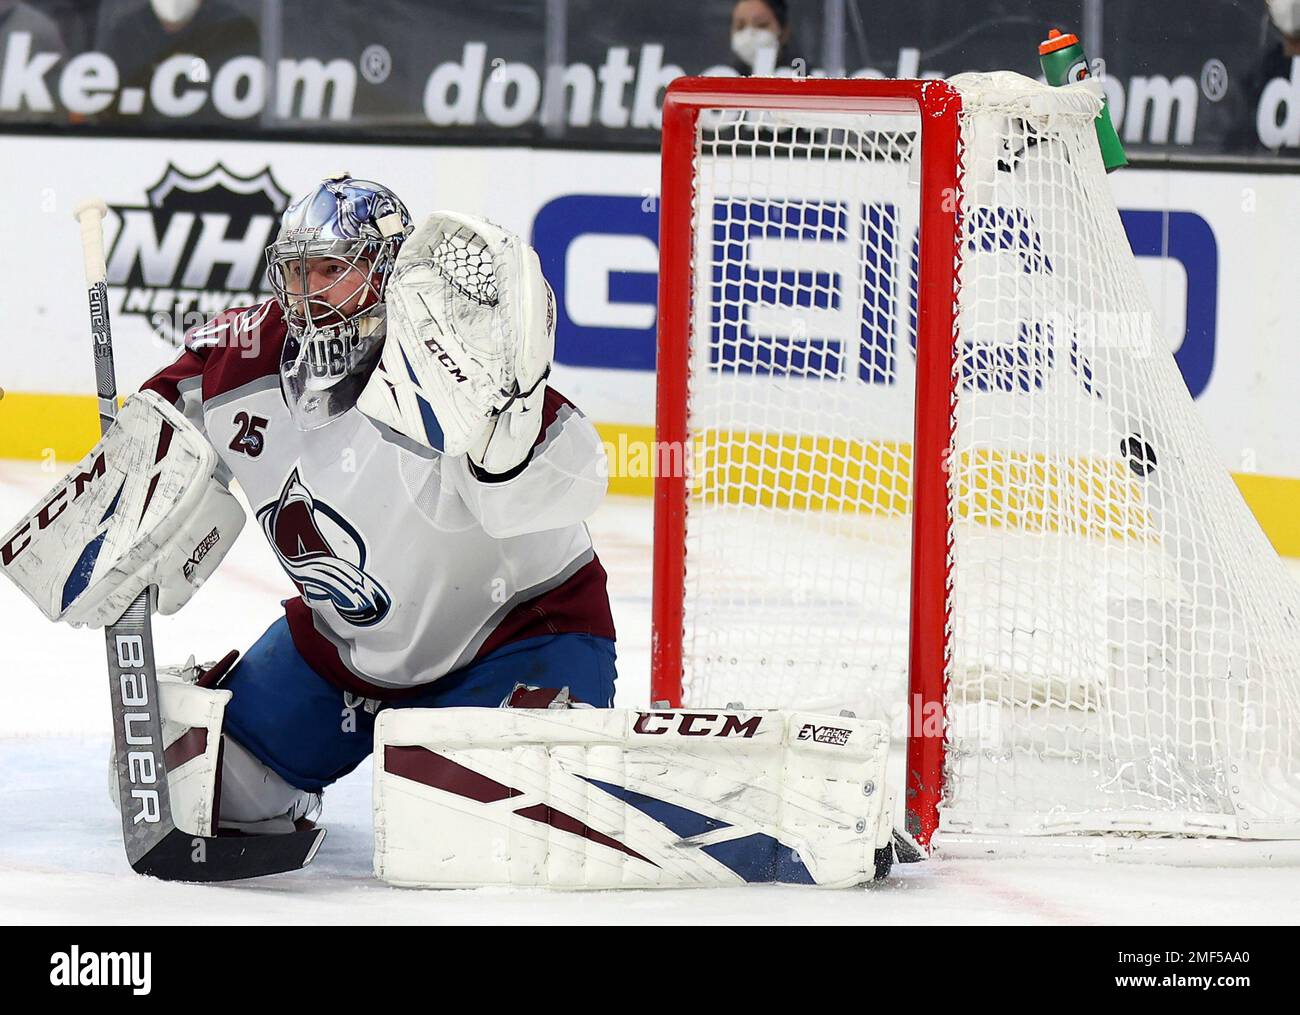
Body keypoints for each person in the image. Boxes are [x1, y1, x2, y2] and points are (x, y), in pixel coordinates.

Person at [138, 176, 616, 832]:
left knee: (481, 833)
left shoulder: (457, 355)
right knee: (182, 781)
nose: (308, 294)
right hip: (348, 651)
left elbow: (579, 476)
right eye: (297, 272)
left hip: (518, 635)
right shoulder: (243, 356)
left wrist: (510, 428)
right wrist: (115, 505)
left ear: (387, 270)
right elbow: (147, 429)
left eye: (331, 270)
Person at [729, 0, 801, 76]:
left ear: (784, 31)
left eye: (761, 25)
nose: (749, 34)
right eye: (740, 26)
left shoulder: (806, 76)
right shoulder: (724, 76)